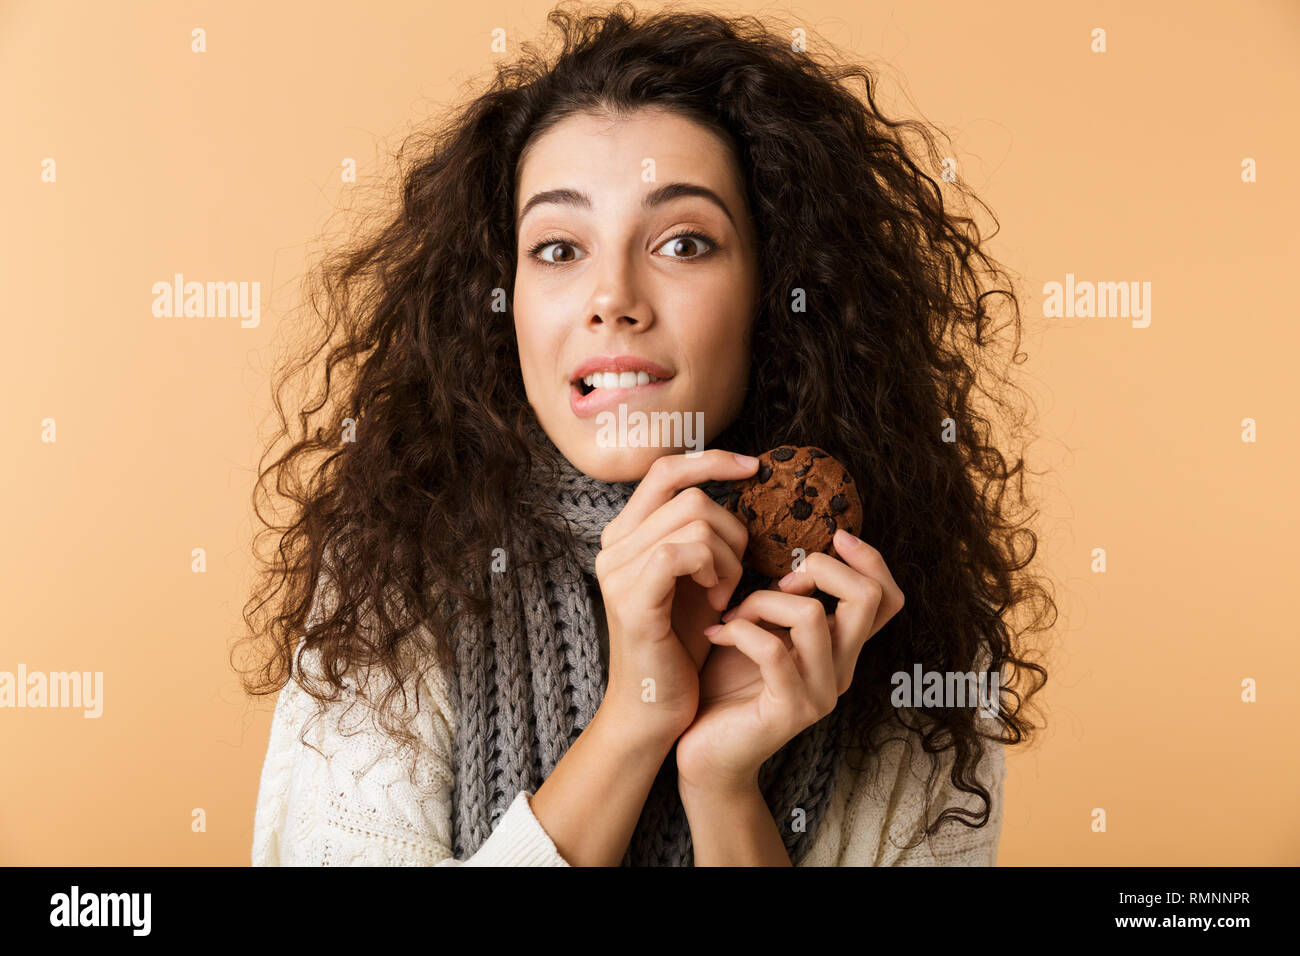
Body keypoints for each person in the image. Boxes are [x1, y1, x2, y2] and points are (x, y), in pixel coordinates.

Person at [241, 2, 1053, 867]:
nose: (612, 296)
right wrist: (635, 719)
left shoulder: (902, 626)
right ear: (502, 297)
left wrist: (721, 783)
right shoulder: (392, 581)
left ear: (777, 287)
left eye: (683, 242)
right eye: (558, 249)